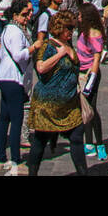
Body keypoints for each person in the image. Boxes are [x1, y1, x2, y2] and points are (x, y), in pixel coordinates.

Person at [27, 11, 87, 175]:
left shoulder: (69, 44)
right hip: (48, 104)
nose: (71, 32)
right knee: (40, 140)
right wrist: (61, 54)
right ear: (60, 28)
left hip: (69, 104)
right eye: (69, 28)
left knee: (76, 136)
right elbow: (40, 68)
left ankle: (83, 172)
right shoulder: (48, 46)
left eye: (72, 28)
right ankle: (32, 173)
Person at [0, 0, 34, 175]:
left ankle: (1, 158)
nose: (28, 17)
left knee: (4, 118)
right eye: (25, 14)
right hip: (13, 78)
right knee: (16, 120)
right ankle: (15, 160)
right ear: (16, 15)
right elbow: (19, 55)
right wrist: (34, 48)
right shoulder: (15, 31)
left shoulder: (11, 29)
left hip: (5, 77)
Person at [77, 2, 107, 160]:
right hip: (80, 73)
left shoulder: (95, 34)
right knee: (85, 109)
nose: (78, 17)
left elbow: (96, 59)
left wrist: (91, 78)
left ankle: (99, 143)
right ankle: (88, 143)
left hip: (90, 74)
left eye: (80, 15)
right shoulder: (84, 31)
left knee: (92, 109)